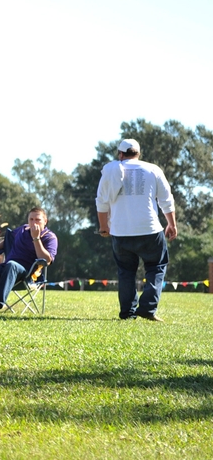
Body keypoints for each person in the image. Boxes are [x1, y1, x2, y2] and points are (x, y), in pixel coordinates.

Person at [95, 138, 177, 322]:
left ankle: (128, 313)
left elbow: (101, 201)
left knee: (126, 272)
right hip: (149, 230)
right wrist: (172, 223)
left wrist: (103, 226)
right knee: (156, 267)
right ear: (138, 154)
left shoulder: (110, 171)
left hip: (120, 232)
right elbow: (166, 199)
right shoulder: (153, 169)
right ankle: (148, 308)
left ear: (120, 154)